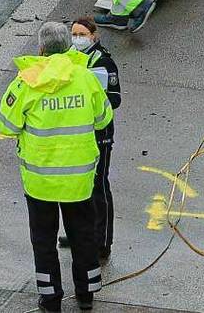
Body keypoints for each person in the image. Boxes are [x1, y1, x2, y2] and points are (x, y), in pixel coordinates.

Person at [0, 22, 112, 312]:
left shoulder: (26, 81)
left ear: (42, 48)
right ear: (68, 46)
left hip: (40, 178)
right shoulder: (85, 78)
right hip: (79, 177)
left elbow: (6, 125)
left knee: (44, 240)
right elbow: (103, 119)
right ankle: (86, 293)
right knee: (83, 235)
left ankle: (50, 298)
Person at [72, 16, 121, 264]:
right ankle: (79, 232)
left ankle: (102, 241)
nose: (77, 39)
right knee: (76, 185)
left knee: (99, 186)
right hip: (77, 133)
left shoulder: (103, 62)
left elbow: (115, 100)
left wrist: (91, 103)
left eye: (82, 34)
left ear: (93, 36)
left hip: (99, 134)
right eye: (74, 34)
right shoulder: (70, 57)